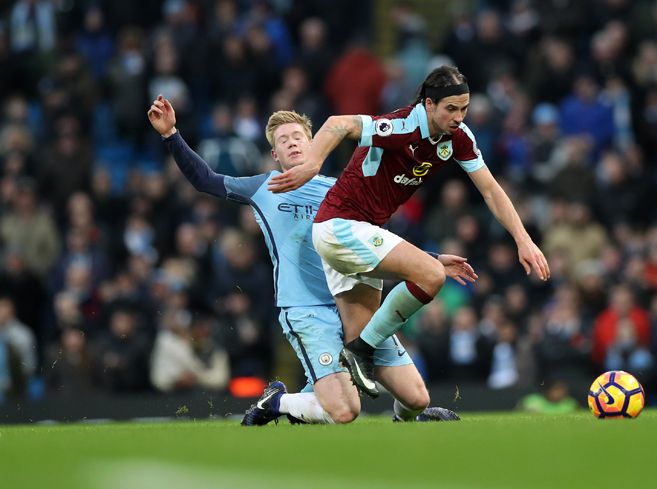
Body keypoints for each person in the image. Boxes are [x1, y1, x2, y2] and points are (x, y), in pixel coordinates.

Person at [147, 96, 470, 423]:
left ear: (314, 142)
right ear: (275, 155)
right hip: (307, 310)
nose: (292, 143)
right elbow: (206, 180)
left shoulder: (339, 190)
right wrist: (171, 134)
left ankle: (406, 418)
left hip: (354, 304)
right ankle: (279, 402)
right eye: (283, 141)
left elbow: (374, 243)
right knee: (345, 412)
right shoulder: (265, 187)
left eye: (298, 137)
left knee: (416, 398)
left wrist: (430, 259)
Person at [268, 65, 551, 396]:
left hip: (362, 237)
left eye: (464, 109)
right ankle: (360, 350)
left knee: (411, 396)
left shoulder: (458, 139)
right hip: (339, 226)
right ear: (429, 106)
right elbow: (337, 124)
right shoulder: (402, 125)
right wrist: (312, 164)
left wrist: (524, 240)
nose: (459, 117)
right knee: (431, 277)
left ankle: (297, 402)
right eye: (450, 109)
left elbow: (490, 190)